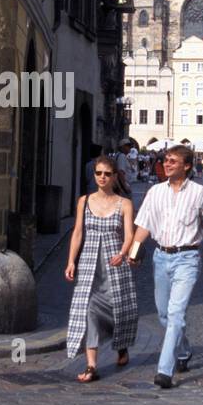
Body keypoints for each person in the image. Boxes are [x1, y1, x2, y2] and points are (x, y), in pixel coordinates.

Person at [129, 144, 203, 389]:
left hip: (188, 258)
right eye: (166, 160)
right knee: (164, 314)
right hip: (161, 257)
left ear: (187, 166)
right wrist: (133, 251)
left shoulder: (200, 193)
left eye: (173, 161)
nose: (167, 164)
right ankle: (183, 352)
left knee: (176, 313)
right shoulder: (155, 192)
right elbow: (144, 225)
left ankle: (164, 370)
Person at [65, 156, 139, 383]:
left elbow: (129, 235)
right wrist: (71, 261)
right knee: (89, 309)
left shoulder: (124, 203)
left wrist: (123, 252)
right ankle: (91, 365)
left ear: (115, 176)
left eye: (107, 174)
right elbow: (77, 232)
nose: (102, 178)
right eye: (98, 173)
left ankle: (121, 346)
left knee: (120, 309)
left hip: (115, 263)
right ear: (94, 175)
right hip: (89, 262)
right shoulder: (84, 201)